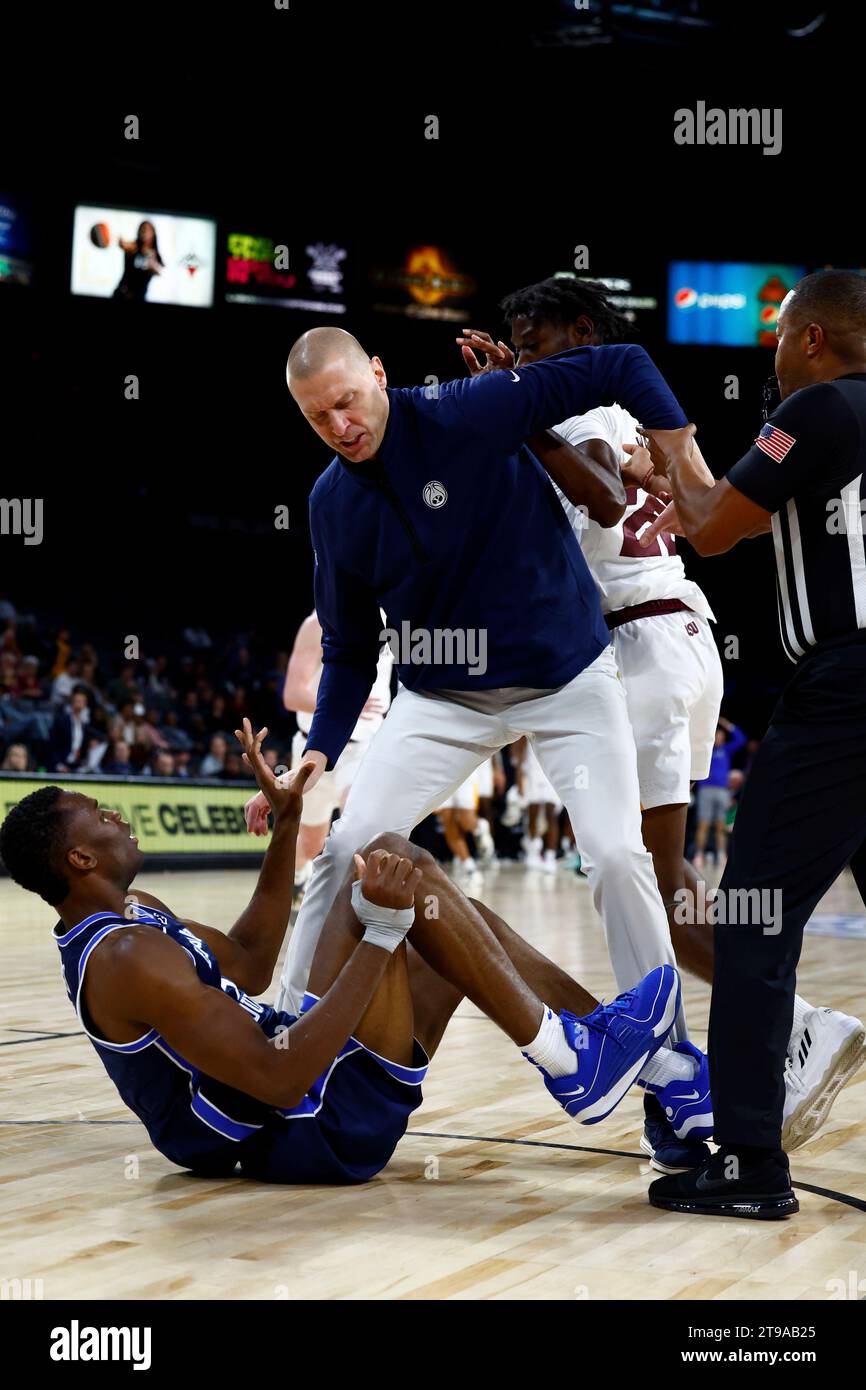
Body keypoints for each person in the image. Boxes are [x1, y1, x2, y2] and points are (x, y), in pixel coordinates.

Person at [247, 327, 701, 1115]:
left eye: (348, 402)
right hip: (441, 699)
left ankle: (673, 1074)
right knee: (344, 849)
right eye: (318, 418)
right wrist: (318, 753)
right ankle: (288, 1034)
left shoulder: (471, 409)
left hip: (565, 676)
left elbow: (621, 363)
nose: (341, 427)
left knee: (617, 855)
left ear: (380, 376)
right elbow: (351, 648)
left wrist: (685, 461)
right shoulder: (330, 502)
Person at [0, 721, 700, 1186]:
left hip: (309, 1087)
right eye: (102, 812)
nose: (117, 814)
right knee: (395, 866)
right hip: (308, 1130)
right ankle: (576, 1063)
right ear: (81, 856)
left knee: (461, 921)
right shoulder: (124, 959)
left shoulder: (139, 913)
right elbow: (275, 1079)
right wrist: (382, 936)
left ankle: (637, 1063)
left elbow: (247, 959)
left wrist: (286, 828)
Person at [634, 269, 866, 1217]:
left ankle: (749, 1165)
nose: (769, 354)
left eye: (777, 335)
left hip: (848, 693)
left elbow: (712, 527)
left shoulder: (813, 411)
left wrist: (671, 451)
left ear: (811, 338)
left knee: (754, 920)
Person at [282, 610, 392, 900]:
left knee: (359, 825)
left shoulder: (396, 614)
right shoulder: (316, 623)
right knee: (309, 844)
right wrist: (345, 702)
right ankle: (298, 876)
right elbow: (292, 695)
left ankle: (353, 910)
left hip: (364, 746)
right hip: (314, 746)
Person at [692, 718, 747, 868]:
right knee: (703, 824)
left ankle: (721, 854)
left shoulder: (727, 750)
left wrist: (726, 724)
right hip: (705, 790)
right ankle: (699, 854)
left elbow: (741, 739)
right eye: (716, 735)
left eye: (721, 736)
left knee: (720, 825)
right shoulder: (706, 750)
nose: (718, 738)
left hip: (723, 791)